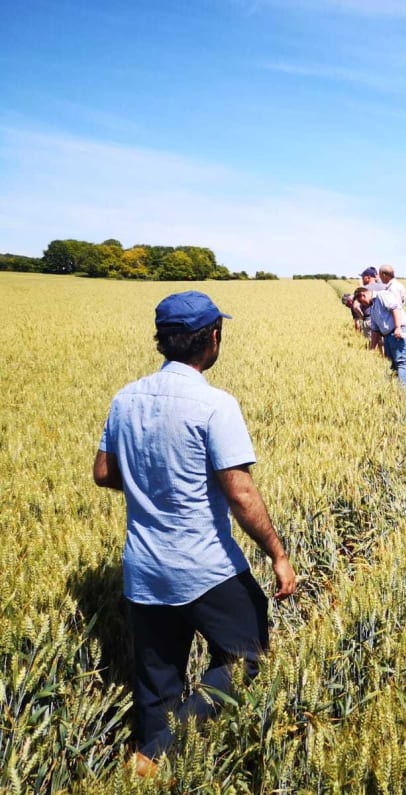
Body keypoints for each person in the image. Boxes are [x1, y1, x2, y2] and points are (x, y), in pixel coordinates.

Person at [92, 291, 296, 776]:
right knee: (250, 657)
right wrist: (278, 554)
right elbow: (241, 494)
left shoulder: (126, 398)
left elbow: (103, 472)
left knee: (157, 681)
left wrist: (149, 480)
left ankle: (150, 760)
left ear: (163, 340)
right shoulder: (214, 404)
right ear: (213, 339)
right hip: (206, 567)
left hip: (143, 570)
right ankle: (160, 757)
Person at [355, 286, 406, 387]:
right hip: (388, 336)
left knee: (400, 362)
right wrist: (372, 349)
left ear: (363, 295)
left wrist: (397, 328)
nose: (363, 305)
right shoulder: (372, 308)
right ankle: (394, 388)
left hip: (399, 331)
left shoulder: (382, 295)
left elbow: (395, 308)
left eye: (362, 302)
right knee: (392, 363)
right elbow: (375, 330)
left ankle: (401, 390)